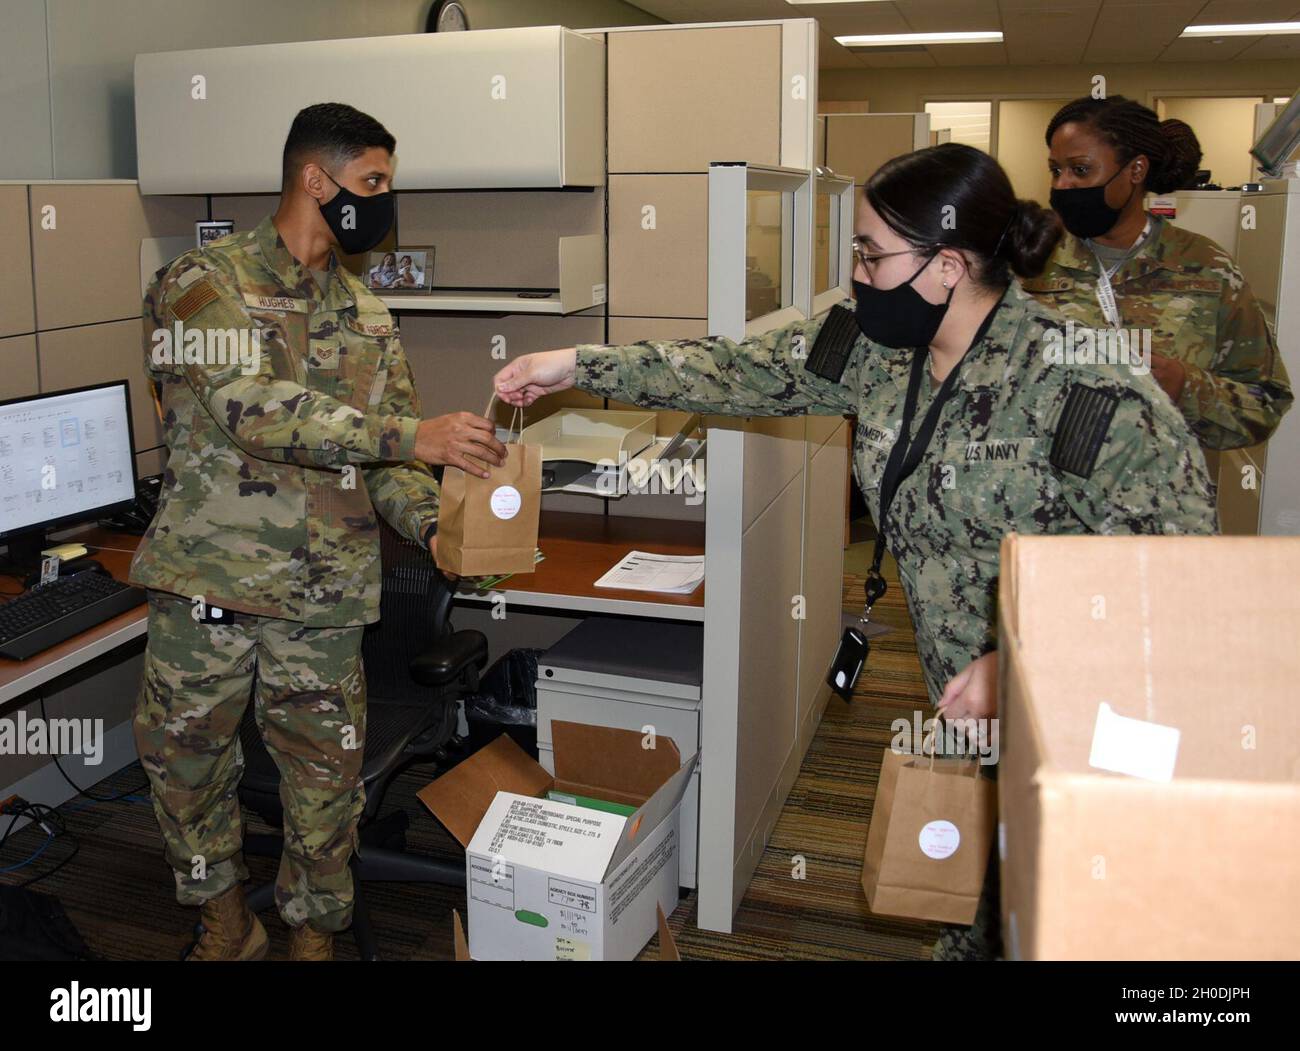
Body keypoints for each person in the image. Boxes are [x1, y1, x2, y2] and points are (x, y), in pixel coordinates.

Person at [493, 143, 1218, 960]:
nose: (857, 276)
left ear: (948, 265)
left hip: (1077, 721)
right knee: (975, 892)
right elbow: (734, 369)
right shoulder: (878, 353)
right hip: (960, 706)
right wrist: (576, 365)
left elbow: (1181, 584)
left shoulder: (1086, 386)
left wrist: (1025, 662)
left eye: (871, 256)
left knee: (1074, 909)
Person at [131, 102, 506, 962]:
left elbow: (394, 468)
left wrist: (439, 529)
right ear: (316, 179)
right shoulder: (201, 280)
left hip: (324, 597)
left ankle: (312, 934)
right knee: (185, 772)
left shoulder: (370, 317)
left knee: (324, 788)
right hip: (207, 588)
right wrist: (413, 438)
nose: (382, 203)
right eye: (372, 183)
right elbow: (253, 410)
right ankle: (225, 920)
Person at [1027, 95, 1292, 450]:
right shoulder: (1031, 263)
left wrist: (1185, 386)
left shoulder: (1207, 269)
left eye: (1081, 169)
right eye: (1055, 170)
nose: (1062, 185)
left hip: (1161, 496)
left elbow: (1265, 403)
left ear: (1136, 170)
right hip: (1041, 497)